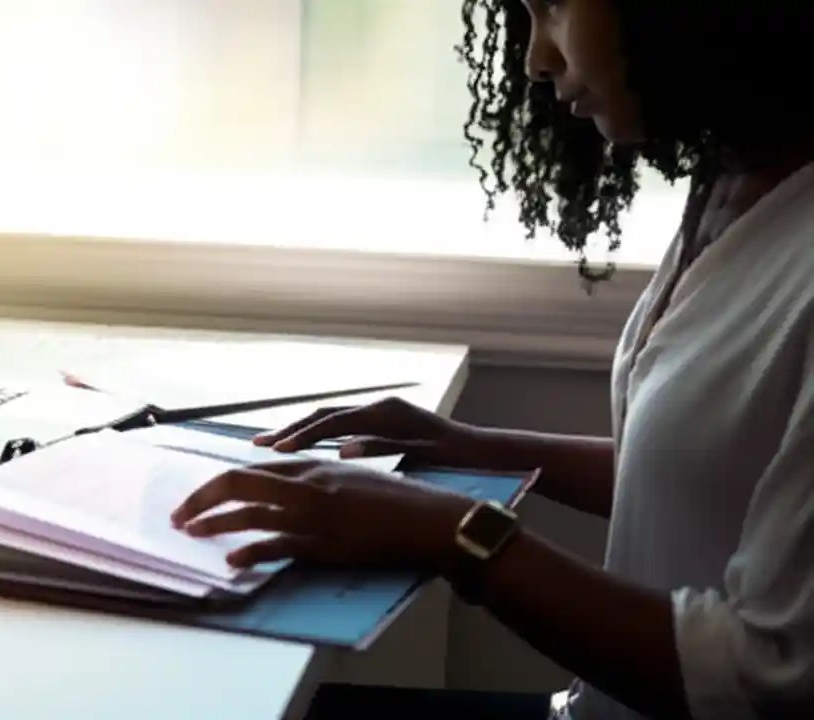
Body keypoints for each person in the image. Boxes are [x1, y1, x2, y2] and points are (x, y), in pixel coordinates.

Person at [169, 1, 814, 718]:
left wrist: (451, 534)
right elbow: (705, 474)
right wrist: (473, 448)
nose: (536, 56)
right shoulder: (737, 180)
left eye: (553, 7)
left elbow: (768, 676)